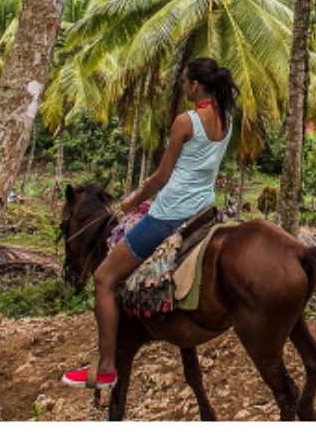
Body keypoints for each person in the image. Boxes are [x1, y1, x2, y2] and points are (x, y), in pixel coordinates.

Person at [61, 58, 237, 390]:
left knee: (103, 278)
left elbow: (163, 176)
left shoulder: (186, 121)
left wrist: (131, 200)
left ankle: (106, 368)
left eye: (187, 82)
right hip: (202, 210)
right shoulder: (228, 121)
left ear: (196, 85)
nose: (185, 87)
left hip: (169, 212)